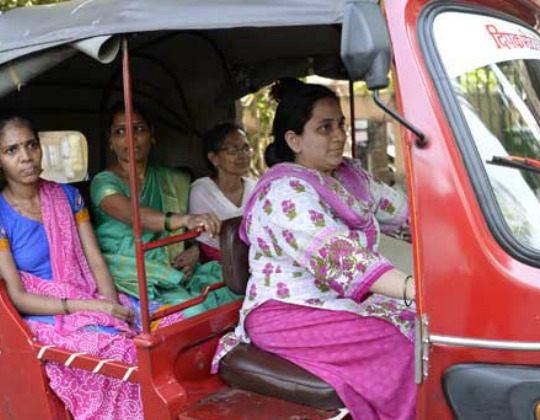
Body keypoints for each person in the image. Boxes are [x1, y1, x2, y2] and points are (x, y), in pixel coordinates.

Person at [211, 79, 417, 420]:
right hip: (288, 313)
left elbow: (407, 214)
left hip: (341, 302)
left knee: (427, 326)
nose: (339, 136)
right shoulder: (283, 193)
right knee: (402, 344)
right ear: (294, 140)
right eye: (324, 128)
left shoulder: (349, 177)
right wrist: (414, 289)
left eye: (341, 125)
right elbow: (343, 260)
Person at [0, 116, 180, 420]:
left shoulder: (68, 196)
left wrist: (111, 305)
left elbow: (94, 260)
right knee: (125, 353)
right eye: (11, 151)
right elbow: (18, 297)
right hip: (47, 316)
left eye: (31, 145)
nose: (25, 157)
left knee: (171, 324)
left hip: (90, 294)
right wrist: (88, 307)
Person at [90, 104, 239, 317]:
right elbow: (135, 215)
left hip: (175, 266)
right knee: (195, 313)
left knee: (234, 291)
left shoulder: (172, 179)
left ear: (152, 135)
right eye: (120, 132)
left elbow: (188, 238)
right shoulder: (103, 183)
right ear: (111, 142)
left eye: (139, 129)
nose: (130, 138)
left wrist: (194, 252)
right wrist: (186, 219)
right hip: (132, 270)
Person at [189, 123, 257, 262]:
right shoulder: (201, 190)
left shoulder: (255, 188)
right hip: (219, 268)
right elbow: (207, 244)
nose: (243, 155)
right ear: (214, 158)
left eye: (246, 148)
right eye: (233, 150)